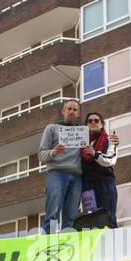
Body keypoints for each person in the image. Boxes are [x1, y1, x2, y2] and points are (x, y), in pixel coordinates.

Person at [38, 98, 86, 233]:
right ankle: (48, 243)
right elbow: (41, 155)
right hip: (57, 174)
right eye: (69, 109)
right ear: (63, 111)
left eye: (75, 110)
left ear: (78, 114)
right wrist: (54, 152)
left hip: (77, 177)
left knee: (71, 216)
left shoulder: (83, 133)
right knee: (53, 212)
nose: (71, 112)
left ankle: (66, 245)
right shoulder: (51, 128)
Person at [79, 111, 118, 228]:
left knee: (108, 216)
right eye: (90, 121)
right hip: (87, 187)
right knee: (90, 219)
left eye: (96, 121)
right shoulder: (81, 143)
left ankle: (113, 245)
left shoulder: (110, 140)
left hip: (104, 183)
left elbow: (110, 160)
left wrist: (95, 154)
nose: (93, 123)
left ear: (102, 124)